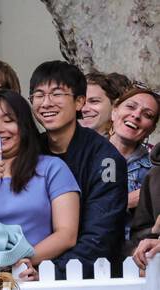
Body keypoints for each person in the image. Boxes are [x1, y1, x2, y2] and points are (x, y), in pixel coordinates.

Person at [0, 90, 79, 279]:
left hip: (35, 273)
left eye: (8, 120)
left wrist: (22, 260)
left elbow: (67, 234)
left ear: (24, 125)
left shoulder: (53, 168)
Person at [30, 60, 128, 273]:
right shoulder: (28, 152)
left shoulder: (105, 158)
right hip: (24, 273)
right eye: (39, 95)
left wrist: (52, 273)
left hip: (86, 281)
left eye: (57, 94)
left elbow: (101, 235)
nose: (46, 103)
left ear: (79, 102)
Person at [108, 86, 160, 219]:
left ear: (152, 129)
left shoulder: (154, 173)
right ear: (114, 112)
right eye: (131, 106)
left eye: (147, 115)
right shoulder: (85, 154)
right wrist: (126, 201)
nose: (136, 115)